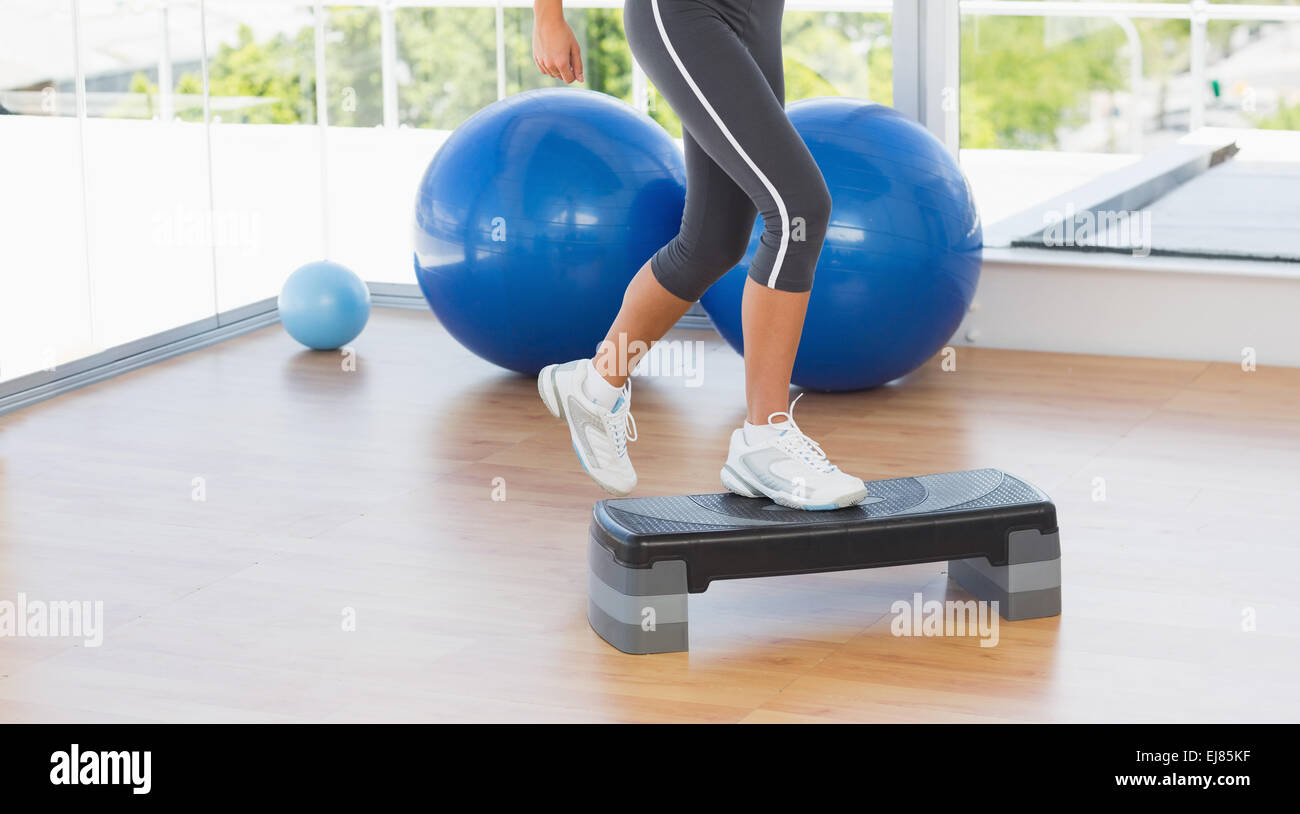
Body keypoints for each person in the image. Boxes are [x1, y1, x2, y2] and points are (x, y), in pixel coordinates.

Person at [532, 0, 867, 510]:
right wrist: (548, 18)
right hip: (684, 11)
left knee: (713, 240)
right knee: (798, 208)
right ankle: (765, 437)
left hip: (757, 15)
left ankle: (595, 386)